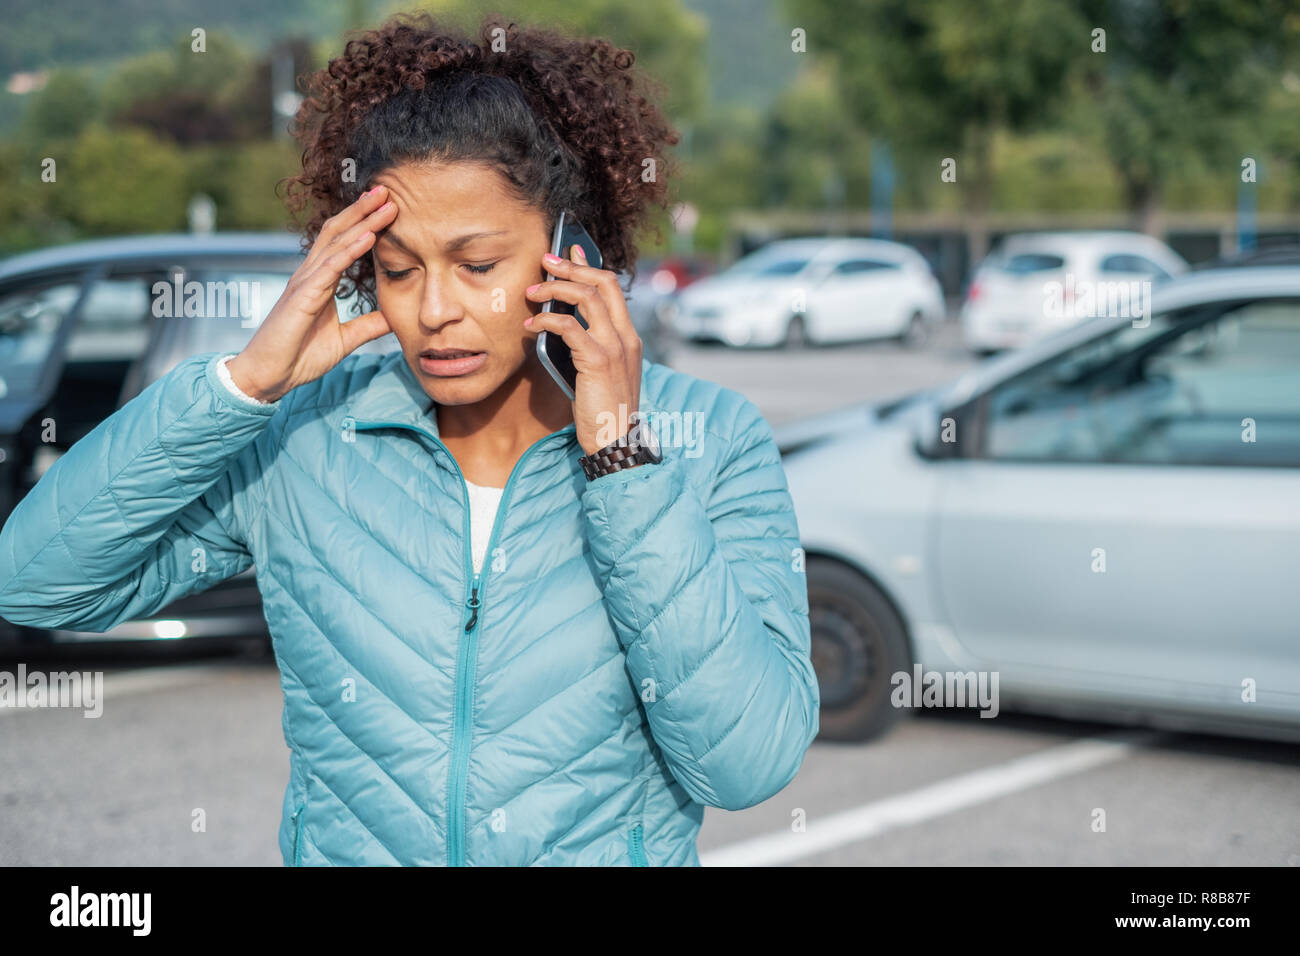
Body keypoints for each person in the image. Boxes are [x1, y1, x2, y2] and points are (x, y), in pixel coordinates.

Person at [0, 12, 820, 866]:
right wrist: (242, 388)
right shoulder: (305, 439)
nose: (432, 311)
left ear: (571, 253)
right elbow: (32, 586)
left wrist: (619, 457)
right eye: (397, 270)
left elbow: (748, 763)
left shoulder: (709, 440)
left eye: (477, 267)